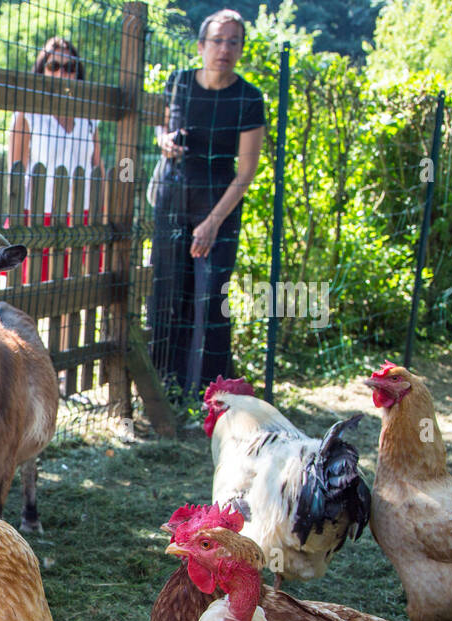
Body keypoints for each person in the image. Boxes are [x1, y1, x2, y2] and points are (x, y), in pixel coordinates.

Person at [148, 9, 264, 398]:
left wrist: (213, 222)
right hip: (172, 197)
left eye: (234, 41)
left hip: (219, 206)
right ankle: (164, 388)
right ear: (201, 46)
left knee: (211, 298)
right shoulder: (178, 82)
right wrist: (162, 139)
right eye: (217, 40)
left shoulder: (248, 97)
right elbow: (161, 126)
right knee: (168, 293)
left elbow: (246, 170)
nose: (225, 48)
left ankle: (211, 395)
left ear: (241, 49)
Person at [0, 37, 102, 280]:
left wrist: (103, 209)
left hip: (83, 214)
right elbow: (17, 171)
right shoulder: (28, 114)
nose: (62, 74)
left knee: (75, 283)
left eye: (69, 68)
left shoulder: (89, 118)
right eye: (54, 66)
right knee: (35, 285)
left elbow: (98, 167)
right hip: (40, 214)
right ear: (41, 69)